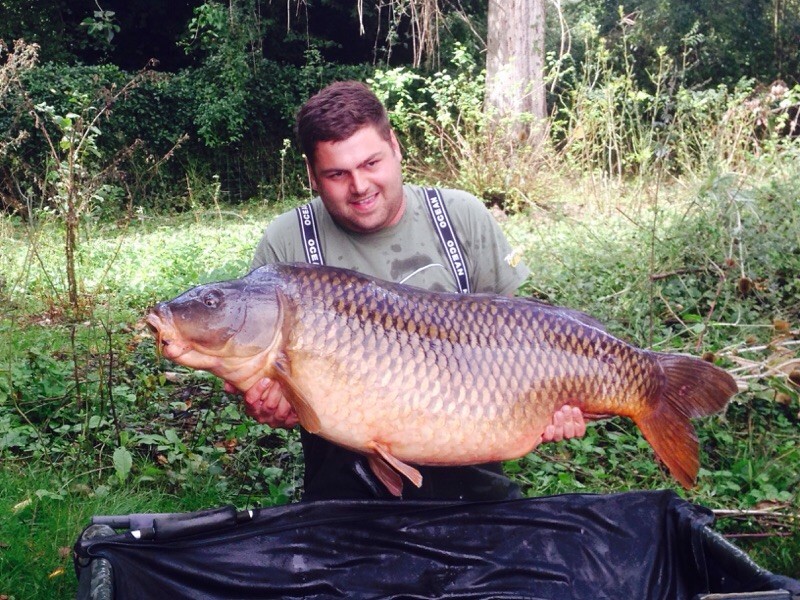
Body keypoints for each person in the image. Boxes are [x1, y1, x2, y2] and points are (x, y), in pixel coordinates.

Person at [228, 80, 586, 501]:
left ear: (395, 147)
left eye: (371, 163)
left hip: (469, 460)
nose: (360, 186)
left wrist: (550, 403)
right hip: (344, 481)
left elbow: (515, 343)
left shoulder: (461, 217)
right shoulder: (287, 244)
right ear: (311, 175)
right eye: (337, 173)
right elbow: (259, 367)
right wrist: (275, 403)